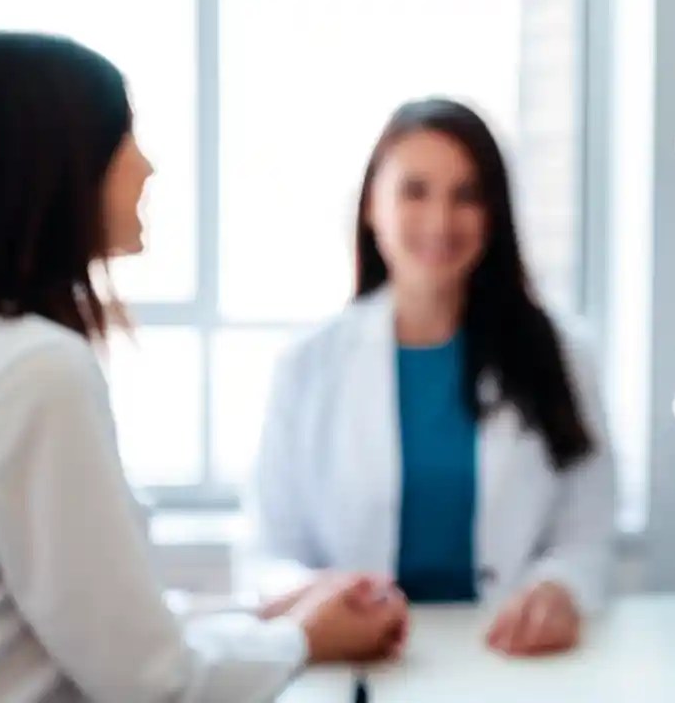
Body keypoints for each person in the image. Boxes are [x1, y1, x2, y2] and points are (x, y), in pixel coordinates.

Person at [0, 31, 408, 702]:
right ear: (56, 165)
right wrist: (305, 637)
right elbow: (153, 681)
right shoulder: (36, 373)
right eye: (122, 137)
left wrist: (261, 614)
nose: (147, 166)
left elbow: (84, 622)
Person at [252, 98, 615, 657]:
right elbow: (266, 551)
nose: (441, 221)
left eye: (467, 196)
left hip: (508, 659)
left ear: (494, 214)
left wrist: (559, 588)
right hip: (360, 662)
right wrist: (314, 594)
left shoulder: (563, 354)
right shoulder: (306, 366)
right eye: (415, 191)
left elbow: (586, 531)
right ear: (373, 205)